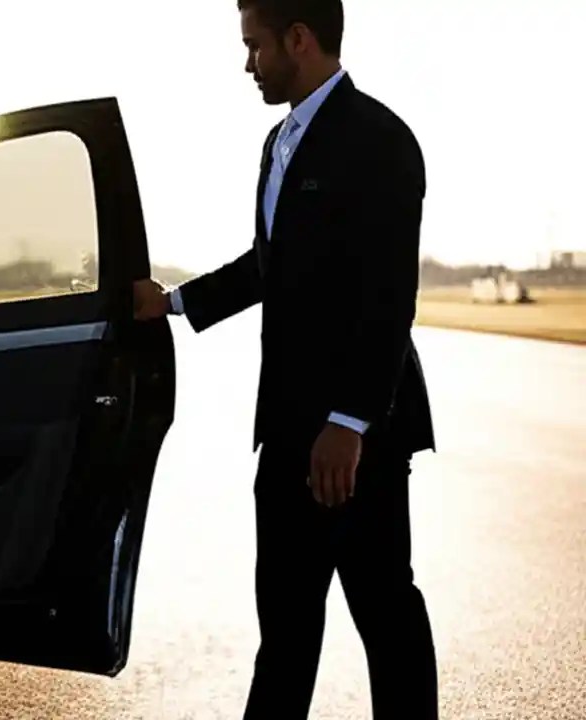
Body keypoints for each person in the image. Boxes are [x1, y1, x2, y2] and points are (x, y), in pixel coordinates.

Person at [132, 1, 439, 717]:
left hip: (361, 437)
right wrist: (172, 303)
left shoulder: (381, 140)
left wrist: (349, 422)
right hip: (287, 433)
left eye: (255, 47)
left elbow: (390, 296)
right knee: (287, 633)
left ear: (298, 40)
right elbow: (268, 266)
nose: (248, 64)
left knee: (387, 615)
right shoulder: (278, 142)